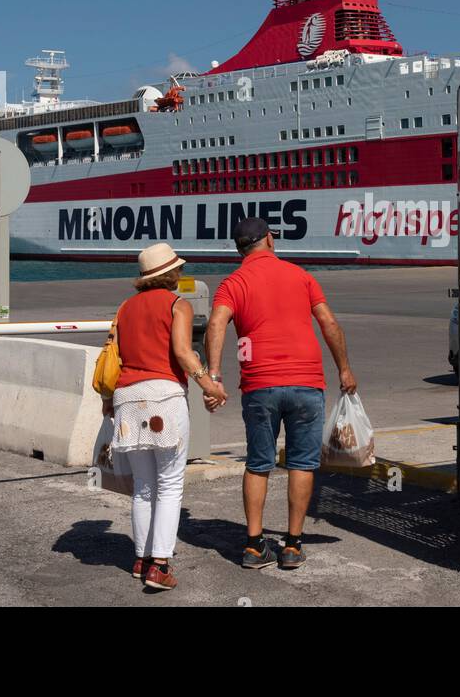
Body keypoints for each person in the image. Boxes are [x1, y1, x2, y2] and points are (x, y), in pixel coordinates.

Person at [204, 217, 357, 570]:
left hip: (260, 386)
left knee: (258, 465)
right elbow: (329, 323)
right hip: (306, 384)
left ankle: (255, 546)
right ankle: (292, 545)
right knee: (302, 464)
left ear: (240, 248)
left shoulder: (233, 282)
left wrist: (214, 375)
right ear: (270, 240)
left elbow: (215, 322)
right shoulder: (301, 276)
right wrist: (344, 369)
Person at [103, 243, 227, 590]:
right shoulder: (178, 305)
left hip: (127, 395)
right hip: (163, 396)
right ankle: (160, 565)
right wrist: (210, 384)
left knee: (143, 485)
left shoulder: (125, 307)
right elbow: (183, 353)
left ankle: (141, 559)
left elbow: (115, 353)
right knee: (170, 483)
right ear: (170, 274)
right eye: (179, 270)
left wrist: (106, 400)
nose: (181, 275)